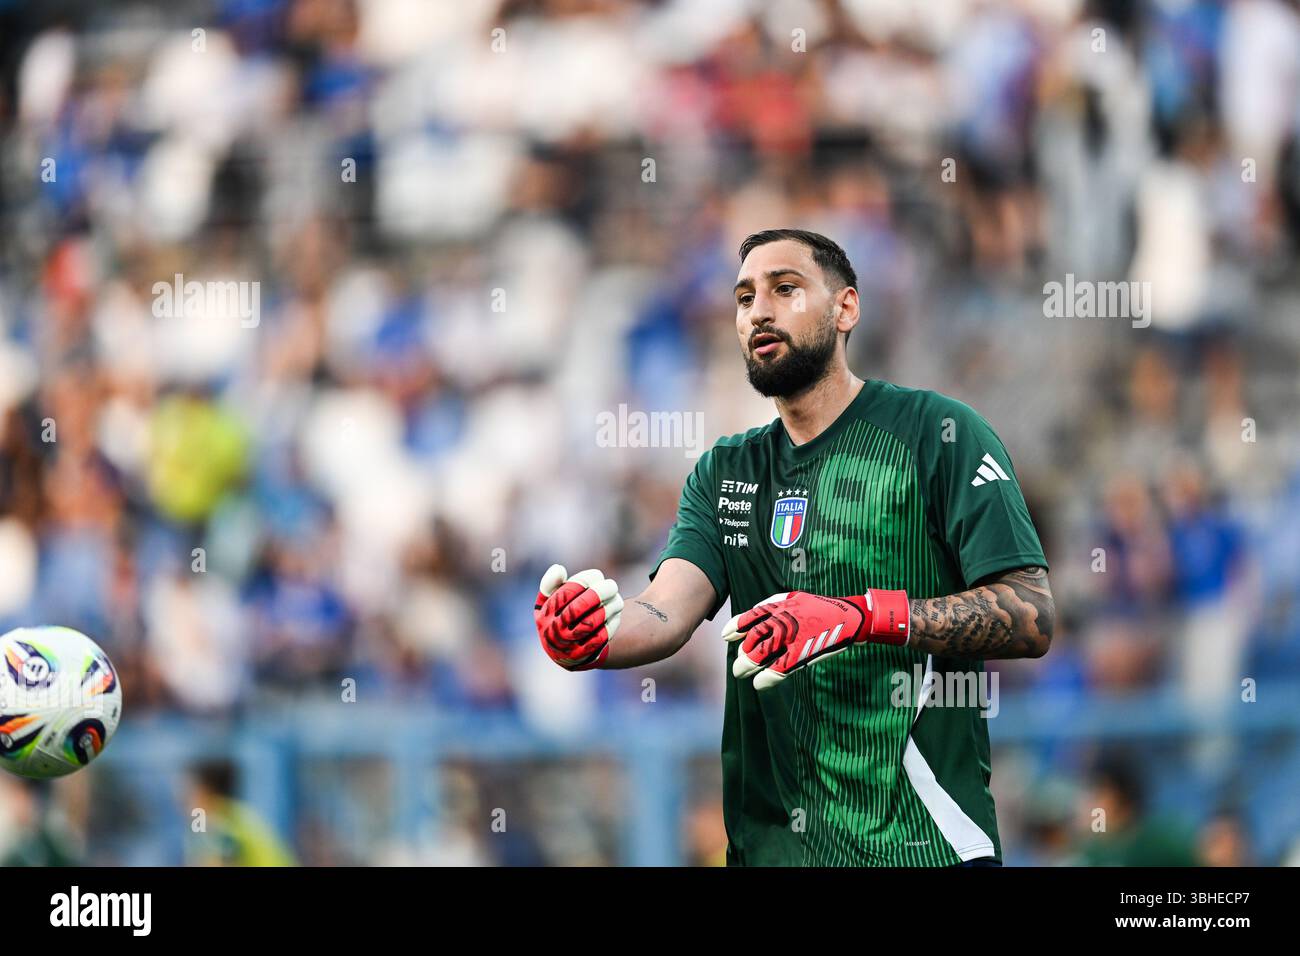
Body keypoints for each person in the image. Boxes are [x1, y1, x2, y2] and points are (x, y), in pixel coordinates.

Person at [534, 229, 1054, 866]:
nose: (759, 310)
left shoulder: (936, 435)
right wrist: (594, 632)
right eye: (744, 297)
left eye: (786, 289)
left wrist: (859, 618)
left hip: (925, 847)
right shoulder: (727, 472)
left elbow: (1030, 613)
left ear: (846, 309)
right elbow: (665, 611)